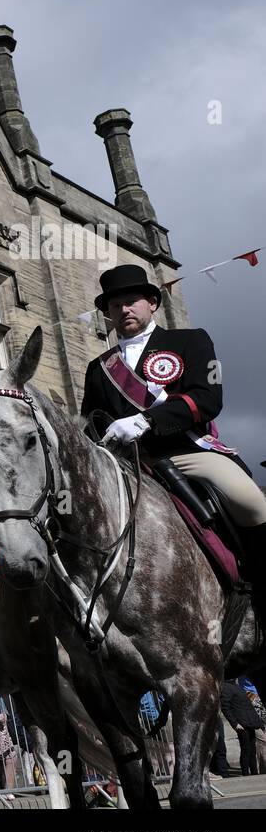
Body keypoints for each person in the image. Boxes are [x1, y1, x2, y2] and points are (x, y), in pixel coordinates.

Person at [80, 264, 266, 601]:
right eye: (115, 305)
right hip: (128, 466)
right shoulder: (99, 369)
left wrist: (147, 421)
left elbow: (207, 399)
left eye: (132, 300)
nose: (124, 309)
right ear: (107, 314)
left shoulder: (190, 341)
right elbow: (90, 424)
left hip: (186, 453)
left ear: (152, 302)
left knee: (252, 503)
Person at [220, 678, 262, 776]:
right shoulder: (227, 687)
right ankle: (246, 774)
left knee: (252, 750)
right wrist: (235, 724)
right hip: (242, 724)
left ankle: (254, 773)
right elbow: (225, 708)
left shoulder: (237, 687)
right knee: (246, 750)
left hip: (249, 723)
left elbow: (246, 706)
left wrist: (256, 722)